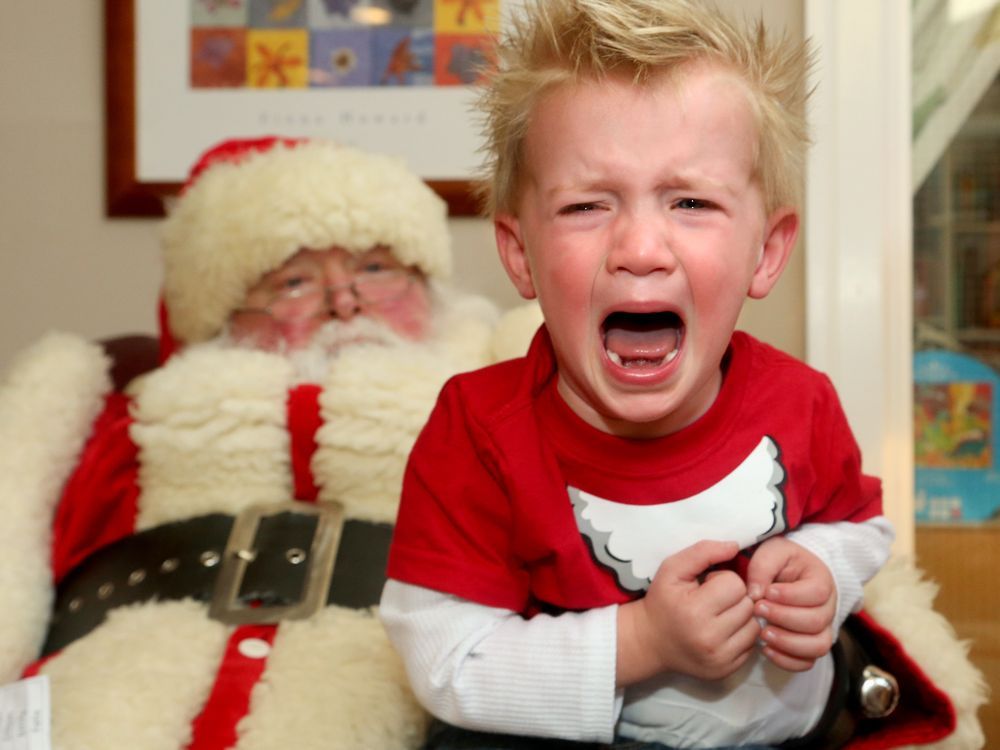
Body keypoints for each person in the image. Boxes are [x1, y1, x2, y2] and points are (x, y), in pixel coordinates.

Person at [379, 2, 983, 749]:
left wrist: (820, 572)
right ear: (518, 253)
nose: (640, 247)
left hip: (798, 727)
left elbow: (858, 525)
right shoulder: (477, 431)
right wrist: (640, 641)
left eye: (691, 201)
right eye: (586, 204)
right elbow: (443, 657)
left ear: (766, 251)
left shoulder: (800, 400)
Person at [0, 136, 540, 750]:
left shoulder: (507, 385)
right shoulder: (114, 413)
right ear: (224, 312)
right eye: (293, 282)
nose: (344, 302)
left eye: (375, 268)